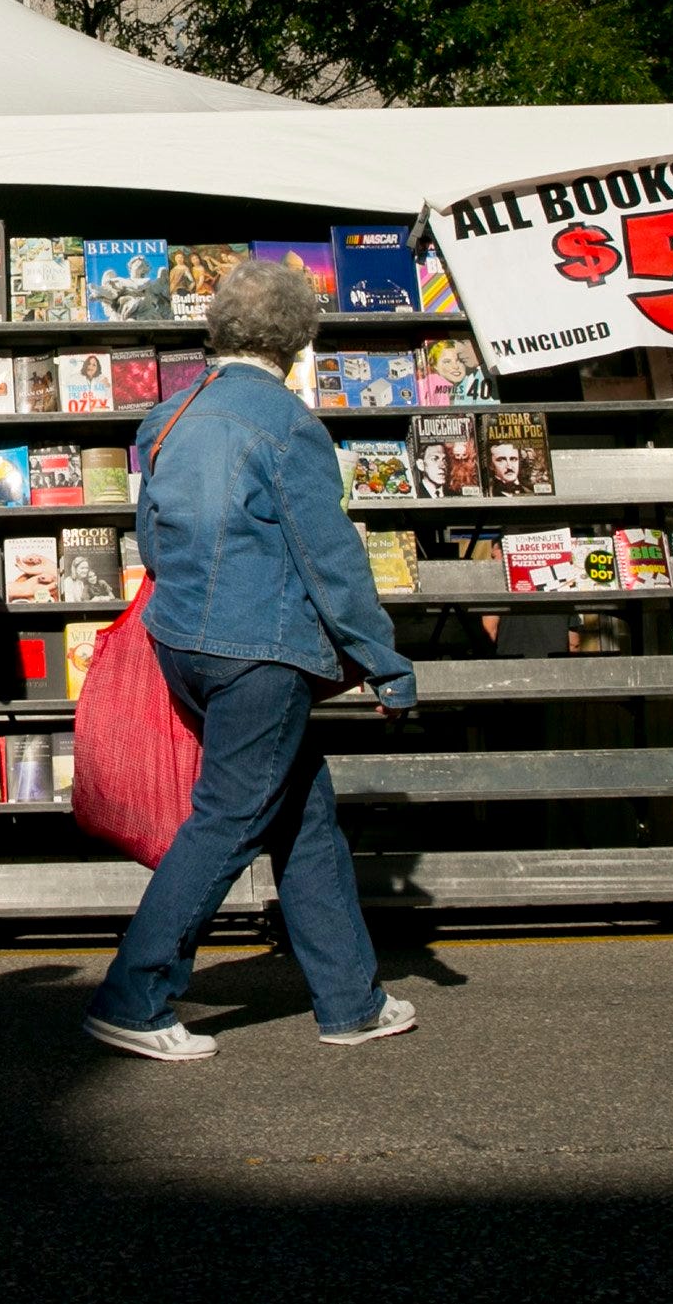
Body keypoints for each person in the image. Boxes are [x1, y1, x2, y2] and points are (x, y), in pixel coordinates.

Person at [84, 256, 421, 1063]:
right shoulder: (289, 425)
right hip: (260, 651)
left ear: (220, 328)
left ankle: (350, 998)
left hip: (186, 645)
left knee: (303, 817)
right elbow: (328, 556)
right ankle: (136, 994)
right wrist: (387, 662)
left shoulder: (167, 418)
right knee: (229, 818)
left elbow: (155, 542)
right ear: (300, 339)